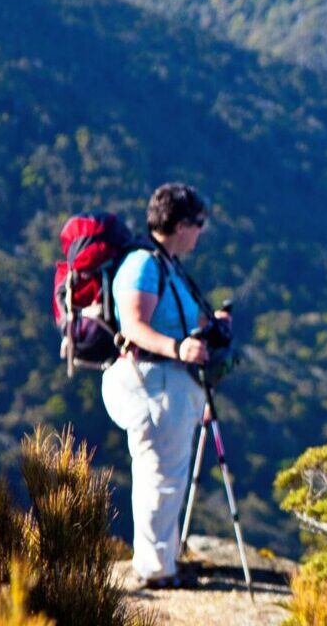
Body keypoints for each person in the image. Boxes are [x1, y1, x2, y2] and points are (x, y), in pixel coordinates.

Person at [102, 183, 214, 590]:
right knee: (160, 476)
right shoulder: (143, 265)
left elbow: (180, 321)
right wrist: (178, 348)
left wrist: (209, 329)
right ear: (181, 225)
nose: (201, 232)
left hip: (166, 383)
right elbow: (133, 325)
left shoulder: (165, 264)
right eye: (198, 224)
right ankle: (154, 569)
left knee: (164, 475)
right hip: (153, 382)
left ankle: (160, 559)